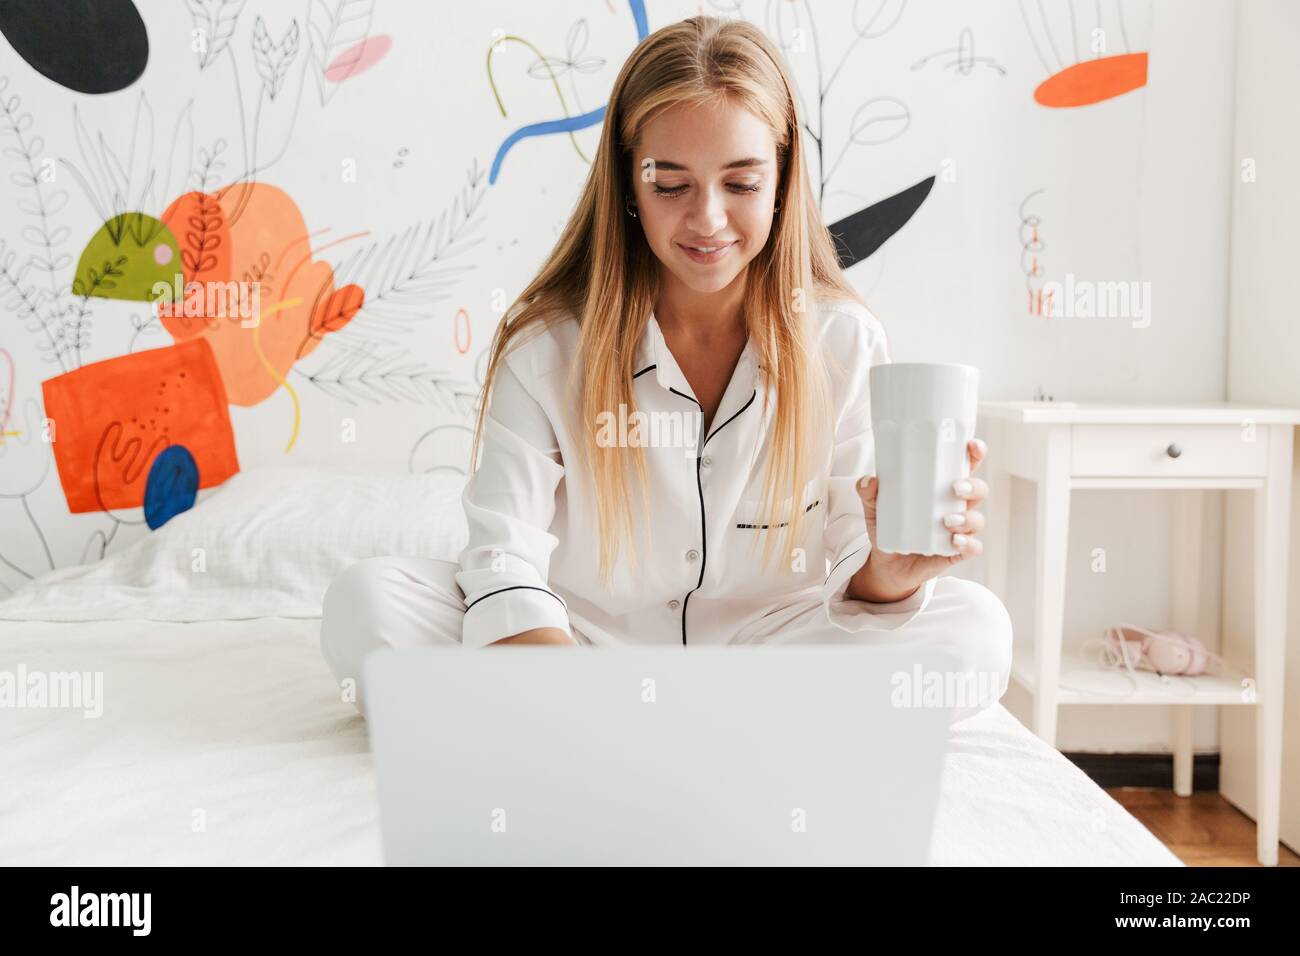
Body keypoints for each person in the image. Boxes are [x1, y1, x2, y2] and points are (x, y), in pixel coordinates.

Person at [320, 15, 1011, 721]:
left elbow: (853, 568)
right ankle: (638, 726)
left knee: (976, 632)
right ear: (628, 186)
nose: (707, 220)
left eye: (740, 183)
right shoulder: (547, 346)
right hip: (581, 651)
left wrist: (891, 575)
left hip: (776, 654)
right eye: (670, 184)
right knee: (366, 605)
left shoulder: (843, 339)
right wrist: (571, 686)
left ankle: (612, 730)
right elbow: (503, 560)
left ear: (780, 182)